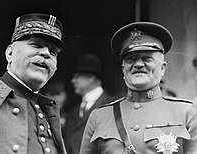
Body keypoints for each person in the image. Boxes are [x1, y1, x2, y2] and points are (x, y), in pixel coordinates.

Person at [80, 22, 197, 154]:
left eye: (147, 58)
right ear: (123, 69)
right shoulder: (98, 117)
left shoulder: (188, 113)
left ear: (162, 68)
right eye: (131, 59)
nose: (139, 64)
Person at [0, 13, 67, 154]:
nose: (46, 53)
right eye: (36, 45)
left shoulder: (48, 110)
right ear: (10, 53)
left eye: (53, 52)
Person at [63, 54, 117, 154]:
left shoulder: (113, 106)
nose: (73, 81)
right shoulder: (74, 111)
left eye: (77, 77)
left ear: (90, 78)